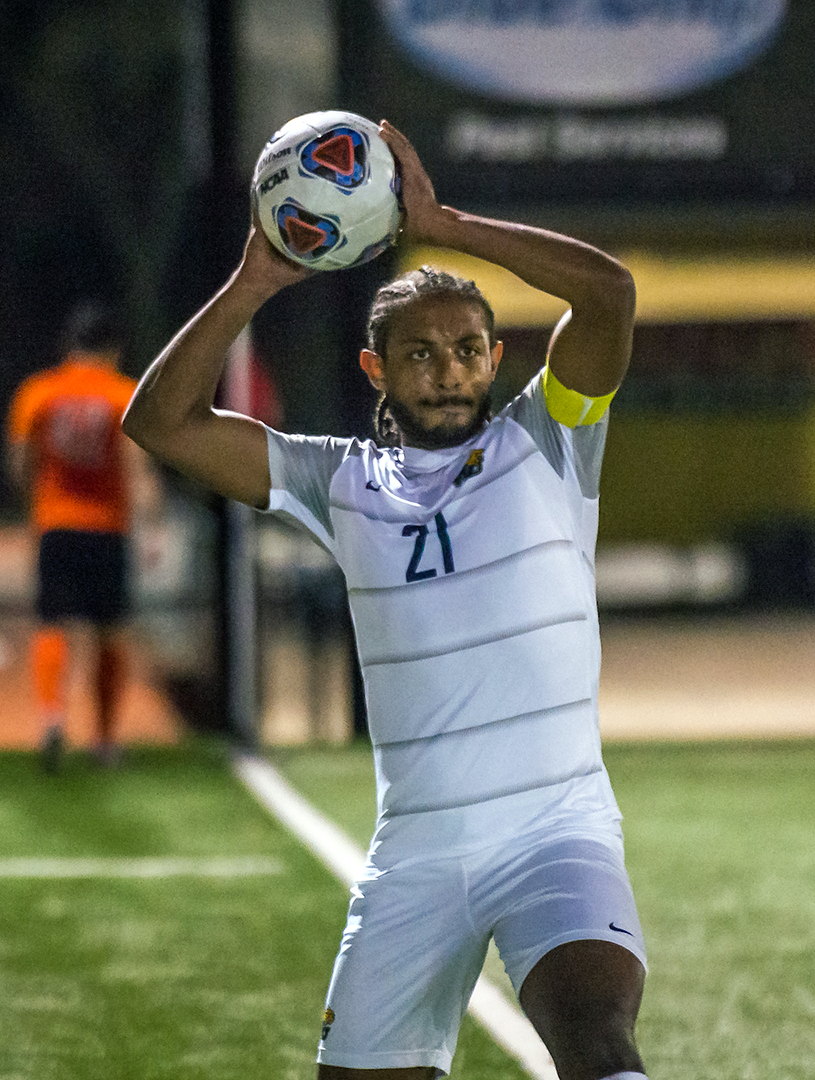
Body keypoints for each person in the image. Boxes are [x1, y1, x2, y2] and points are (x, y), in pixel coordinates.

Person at [123, 121, 647, 1080]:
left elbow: (608, 292)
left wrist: (444, 225)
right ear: (376, 369)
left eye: (467, 349)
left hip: (555, 834)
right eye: (420, 353)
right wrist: (254, 283)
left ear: (495, 361)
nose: (447, 369)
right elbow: (159, 423)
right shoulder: (340, 483)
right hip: (415, 858)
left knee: (594, 1038)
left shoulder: (553, 438)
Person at [6, 305, 147, 772]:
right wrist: (149, 515)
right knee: (111, 631)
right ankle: (105, 740)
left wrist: (33, 504)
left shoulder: (39, 391)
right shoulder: (122, 392)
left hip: (56, 522)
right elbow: (134, 465)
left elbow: (20, 460)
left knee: (52, 622)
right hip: (108, 526)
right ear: (112, 348)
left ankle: (51, 719)